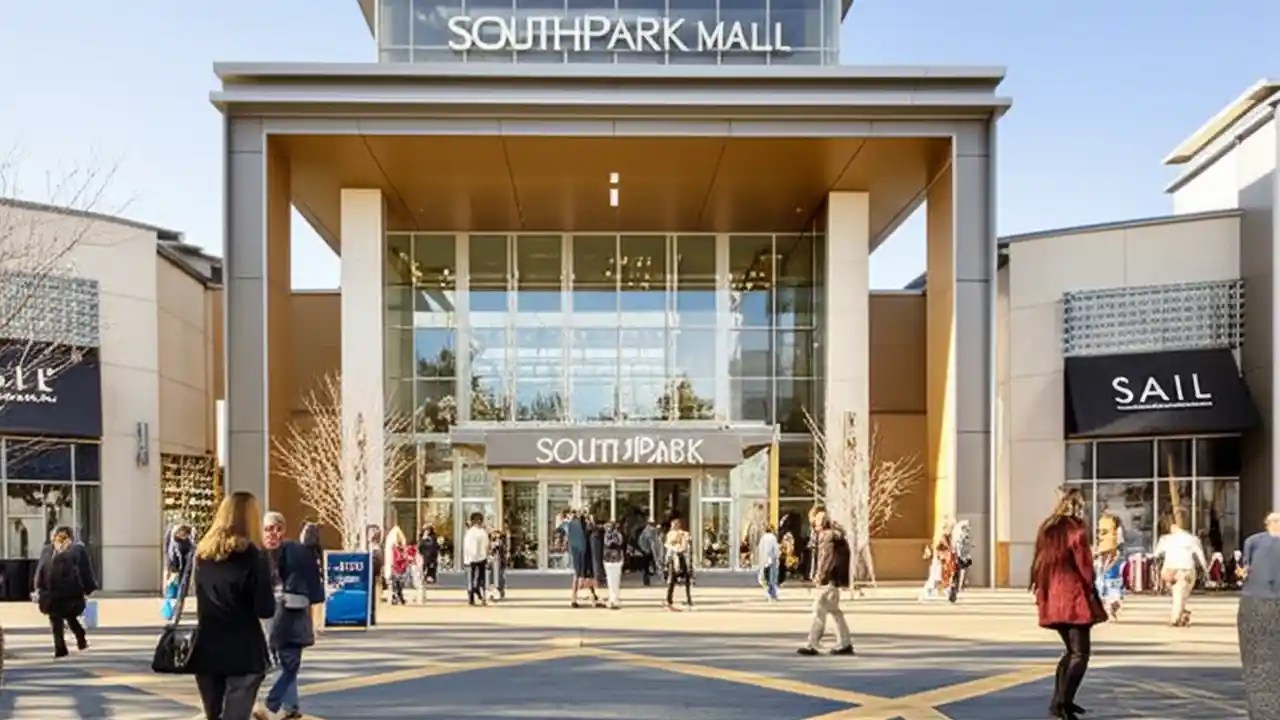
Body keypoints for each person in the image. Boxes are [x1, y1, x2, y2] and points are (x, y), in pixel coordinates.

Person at [186, 491, 275, 720]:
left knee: (213, 716)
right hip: (243, 651)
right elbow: (265, 608)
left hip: (207, 649)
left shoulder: (202, 554)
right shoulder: (253, 556)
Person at [1030, 489, 1107, 720]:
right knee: (1080, 653)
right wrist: (1092, 585)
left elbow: (1038, 559)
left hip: (1051, 595)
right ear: (1078, 507)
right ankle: (1063, 702)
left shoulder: (1047, 527)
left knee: (1071, 652)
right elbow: (1084, 564)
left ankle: (1061, 701)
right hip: (1073, 597)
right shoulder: (1076, 528)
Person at [259, 512, 326, 720]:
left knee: (289, 662)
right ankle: (290, 705)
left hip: (292, 613)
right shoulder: (259, 554)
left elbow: (313, 579)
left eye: (278, 528)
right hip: (270, 612)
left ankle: (274, 703)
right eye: (269, 529)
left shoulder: (296, 551)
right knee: (286, 662)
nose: (274, 533)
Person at [1238, 511, 1280, 719]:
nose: (1276, 525)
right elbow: (1245, 567)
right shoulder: (1253, 542)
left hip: (1258, 601)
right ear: (1267, 524)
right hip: (1256, 601)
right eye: (1274, 521)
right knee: (1259, 666)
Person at [797, 506, 852, 656]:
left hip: (829, 580)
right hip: (836, 579)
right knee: (835, 612)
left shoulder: (827, 536)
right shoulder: (838, 536)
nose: (814, 526)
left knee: (819, 608)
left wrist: (819, 575)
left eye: (815, 523)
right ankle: (845, 642)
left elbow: (825, 559)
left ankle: (812, 643)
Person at [34, 528, 93, 658]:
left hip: (70, 593)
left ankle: (79, 636)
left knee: (70, 617)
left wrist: (88, 588)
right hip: (52, 592)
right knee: (56, 620)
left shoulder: (76, 551)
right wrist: (38, 587)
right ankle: (60, 648)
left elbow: (84, 570)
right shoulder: (47, 550)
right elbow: (41, 569)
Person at [1154, 510, 1207, 627]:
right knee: (1181, 593)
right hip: (1186, 569)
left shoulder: (1165, 539)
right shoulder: (1192, 539)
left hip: (1169, 570)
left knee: (1177, 593)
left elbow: (1156, 554)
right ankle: (1176, 617)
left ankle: (1181, 614)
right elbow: (1200, 557)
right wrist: (1206, 571)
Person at [558, 509, 595, 608]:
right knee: (584, 574)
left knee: (579, 574)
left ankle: (577, 597)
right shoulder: (579, 525)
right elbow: (591, 529)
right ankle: (579, 597)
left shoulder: (570, 524)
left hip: (577, 551)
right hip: (583, 551)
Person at [1094, 511, 1125, 619]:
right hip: (1107, 566)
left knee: (1109, 585)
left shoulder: (1116, 533)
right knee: (1106, 586)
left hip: (1110, 566)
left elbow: (1117, 547)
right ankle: (1110, 605)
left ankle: (1111, 604)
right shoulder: (1109, 535)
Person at [664, 518, 693, 610]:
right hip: (673, 559)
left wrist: (680, 547)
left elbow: (686, 545)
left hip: (683, 558)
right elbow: (668, 545)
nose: (672, 527)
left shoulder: (684, 534)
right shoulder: (670, 534)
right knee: (671, 580)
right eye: (672, 525)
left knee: (687, 579)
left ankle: (688, 598)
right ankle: (669, 599)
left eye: (674, 525)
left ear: (678, 525)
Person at [462, 512, 489, 606]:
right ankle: (475, 594)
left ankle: (473, 595)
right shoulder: (480, 532)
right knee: (478, 578)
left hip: (474, 558)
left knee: (474, 578)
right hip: (477, 558)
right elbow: (484, 546)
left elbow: (467, 547)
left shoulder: (472, 532)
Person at [385, 526, 411, 606]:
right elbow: (398, 558)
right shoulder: (396, 549)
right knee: (397, 584)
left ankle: (397, 598)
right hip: (397, 568)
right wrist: (405, 558)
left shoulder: (395, 548)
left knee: (397, 584)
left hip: (397, 568)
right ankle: (397, 598)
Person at [602, 521, 625, 609]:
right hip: (617, 559)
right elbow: (620, 544)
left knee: (611, 581)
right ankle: (614, 599)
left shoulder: (607, 535)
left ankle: (613, 599)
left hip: (609, 559)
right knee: (615, 581)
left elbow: (607, 544)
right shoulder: (619, 535)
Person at [758, 523, 780, 602]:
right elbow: (776, 549)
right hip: (772, 559)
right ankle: (773, 594)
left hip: (765, 559)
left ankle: (768, 593)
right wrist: (777, 557)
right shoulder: (773, 538)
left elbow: (760, 548)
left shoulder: (763, 538)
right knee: (773, 577)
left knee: (765, 577)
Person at [639, 520, 663, 586]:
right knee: (647, 566)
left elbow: (641, 542)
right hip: (649, 551)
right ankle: (647, 580)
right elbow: (652, 542)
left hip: (645, 551)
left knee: (645, 567)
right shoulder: (651, 531)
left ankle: (646, 581)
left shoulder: (644, 531)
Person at [488, 527, 509, 602]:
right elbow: (490, 552)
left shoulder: (502, 544)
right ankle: (492, 592)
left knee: (500, 577)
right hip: (493, 563)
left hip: (500, 563)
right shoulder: (491, 543)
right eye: (495, 536)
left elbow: (504, 552)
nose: (496, 538)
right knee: (492, 577)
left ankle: (500, 590)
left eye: (498, 536)